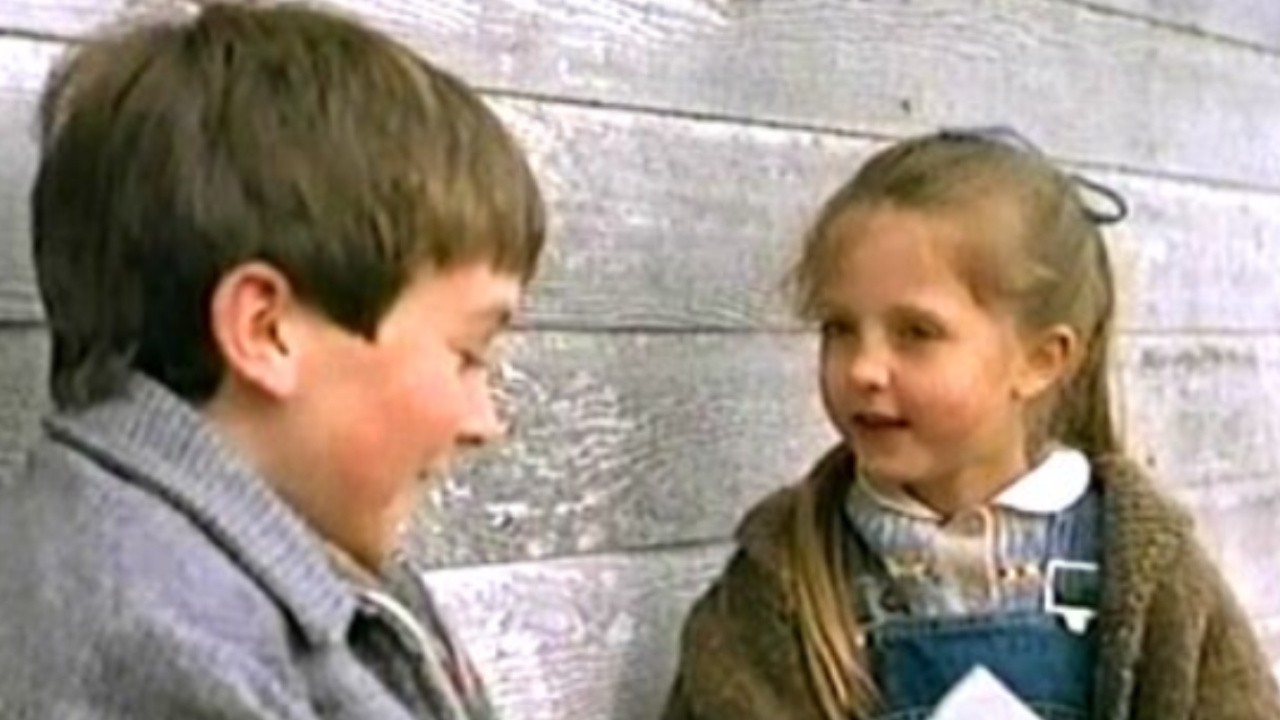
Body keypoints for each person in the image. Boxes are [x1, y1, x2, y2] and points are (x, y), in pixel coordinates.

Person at [0, 3, 545, 718]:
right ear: (265, 330)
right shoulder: (166, 647)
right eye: (468, 354)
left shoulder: (289, 564)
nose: (486, 423)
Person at [661, 128, 1280, 719]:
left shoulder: (1141, 566)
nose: (864, 369)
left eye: (916, 332)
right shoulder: (786, 573)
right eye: (839, 328)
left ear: (1041, 361)